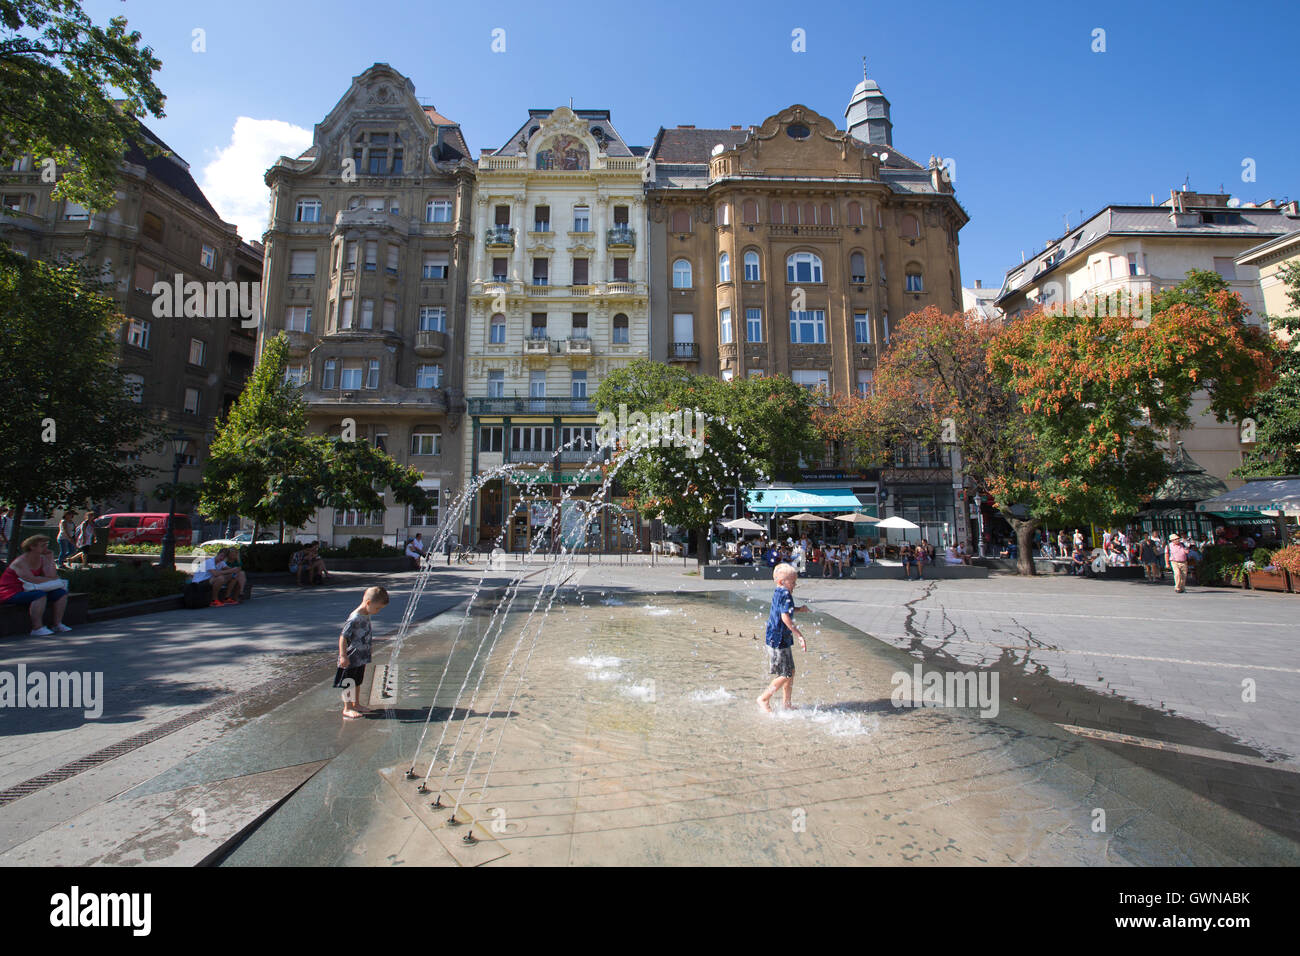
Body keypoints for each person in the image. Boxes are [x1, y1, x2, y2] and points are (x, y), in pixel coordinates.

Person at [757, 563, 807, 714]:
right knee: (786, 674)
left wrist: (799, 609)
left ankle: (787, 703)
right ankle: (764, 698)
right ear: (781, 582)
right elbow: (785, 617)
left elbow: (784, 610)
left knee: (790, 670)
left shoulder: (780, 591)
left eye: (795, 582)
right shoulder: (785, 593)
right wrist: (799, 635)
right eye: (792, 582)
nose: (794, 585)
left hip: (777, 637)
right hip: (778, 639)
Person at [335, 585, 389, 720]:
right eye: (378, 608)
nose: (378, 611)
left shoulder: (366, 614)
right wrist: (343, 656)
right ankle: (347, 708)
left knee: (357, 681)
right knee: (348, 682)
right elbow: (343, 637)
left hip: (361, 656)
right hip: (351, 657)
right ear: (368, 603)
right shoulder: (355, 618)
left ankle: (356, 704)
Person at [0, 535, 70, 634]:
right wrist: (49, 579)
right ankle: (37, 628)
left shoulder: (42, 558)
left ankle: (57, 624)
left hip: (29, 589)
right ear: (32, 547)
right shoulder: (20, 561)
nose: (46, 548)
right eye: (42, 545)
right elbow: (32, 579)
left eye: (47, 545)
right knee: (39, 595)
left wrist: (50, 558)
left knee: (61, 593)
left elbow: (51, 575)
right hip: (10, 592)